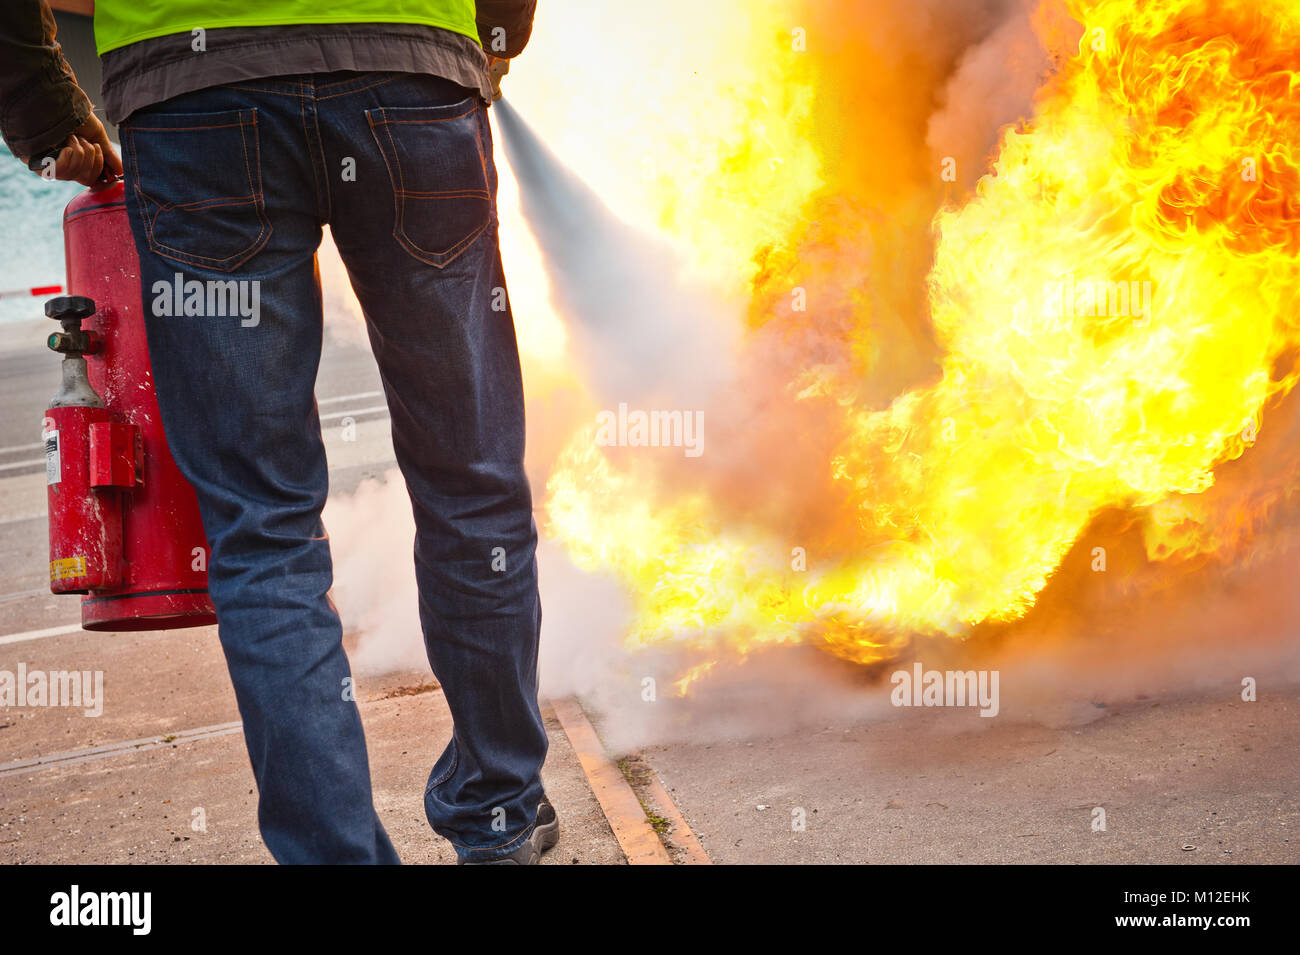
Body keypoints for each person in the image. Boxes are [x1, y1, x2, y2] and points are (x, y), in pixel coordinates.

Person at [0, 0, 553, 865]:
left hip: (195, 100)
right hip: (409, 73)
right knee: (470, 476)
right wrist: (490, 34)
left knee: (263, 529)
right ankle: (499, 813)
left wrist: (42, 109)